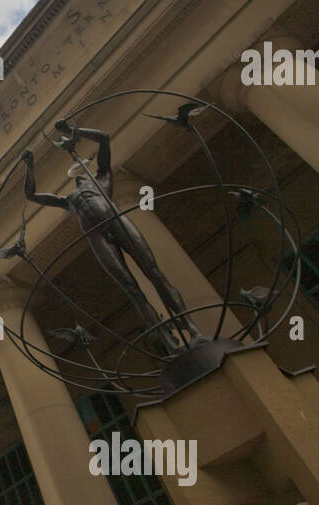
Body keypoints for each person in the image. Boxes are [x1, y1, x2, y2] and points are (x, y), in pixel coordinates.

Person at [21, 120, 206, 356]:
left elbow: (104, 137)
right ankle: (168, 343)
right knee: (131, 289)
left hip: (118, 222)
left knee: (153, 272)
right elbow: (32, 195)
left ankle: (192, 328)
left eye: (81, 175)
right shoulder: (69, 200)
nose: (78, 178)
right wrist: (29, 164)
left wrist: (74, 132)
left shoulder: (102, 180)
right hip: (97, 237)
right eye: (76, 178)